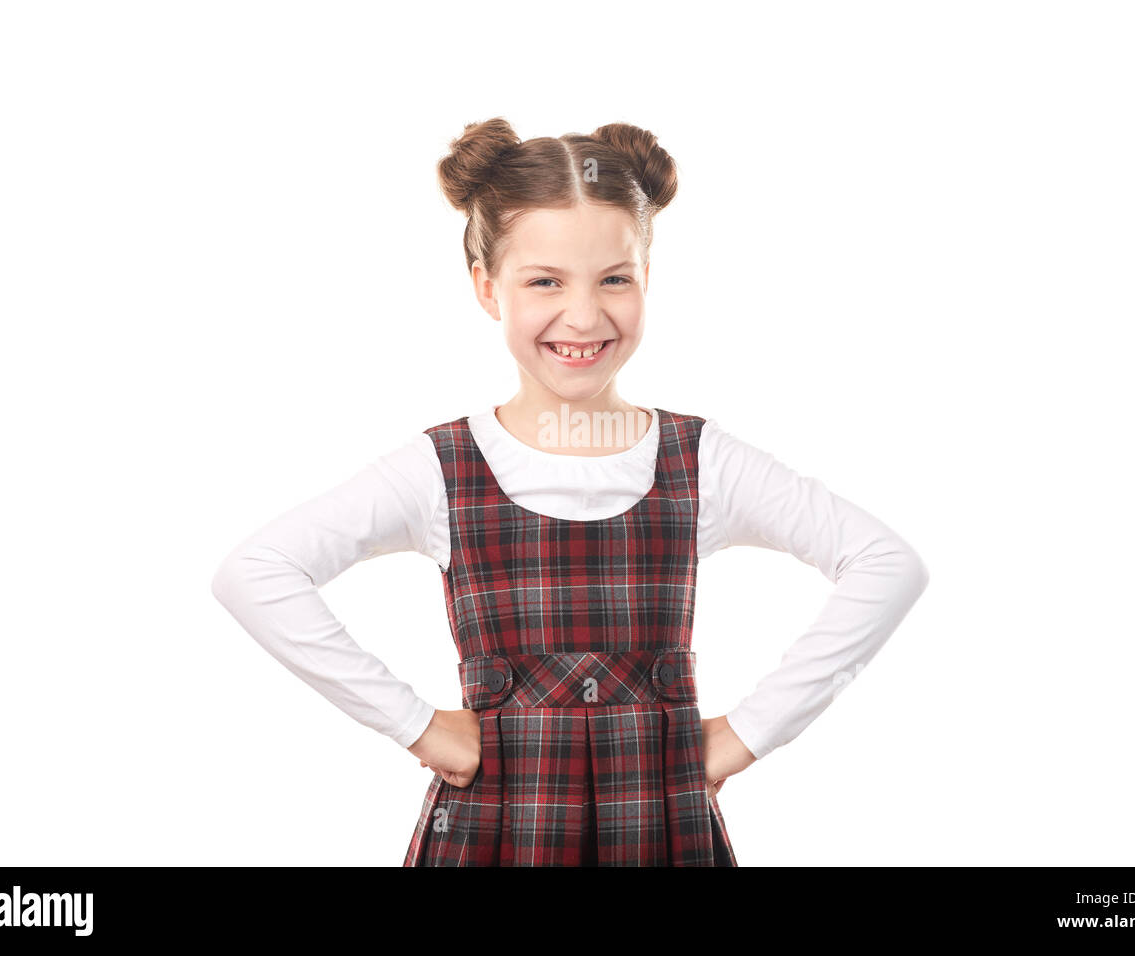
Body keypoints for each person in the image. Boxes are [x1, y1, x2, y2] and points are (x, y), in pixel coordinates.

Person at [211, 117, 930, 866]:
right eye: (545, 281)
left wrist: (751, 733)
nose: (584, 316)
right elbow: (256, 573)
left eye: (614, 278)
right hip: (494, 839)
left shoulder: (701, 462)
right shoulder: (440, 469)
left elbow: (886, 563)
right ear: (489, 288)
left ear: (647, 276)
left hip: (661, 835)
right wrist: (417, 726)